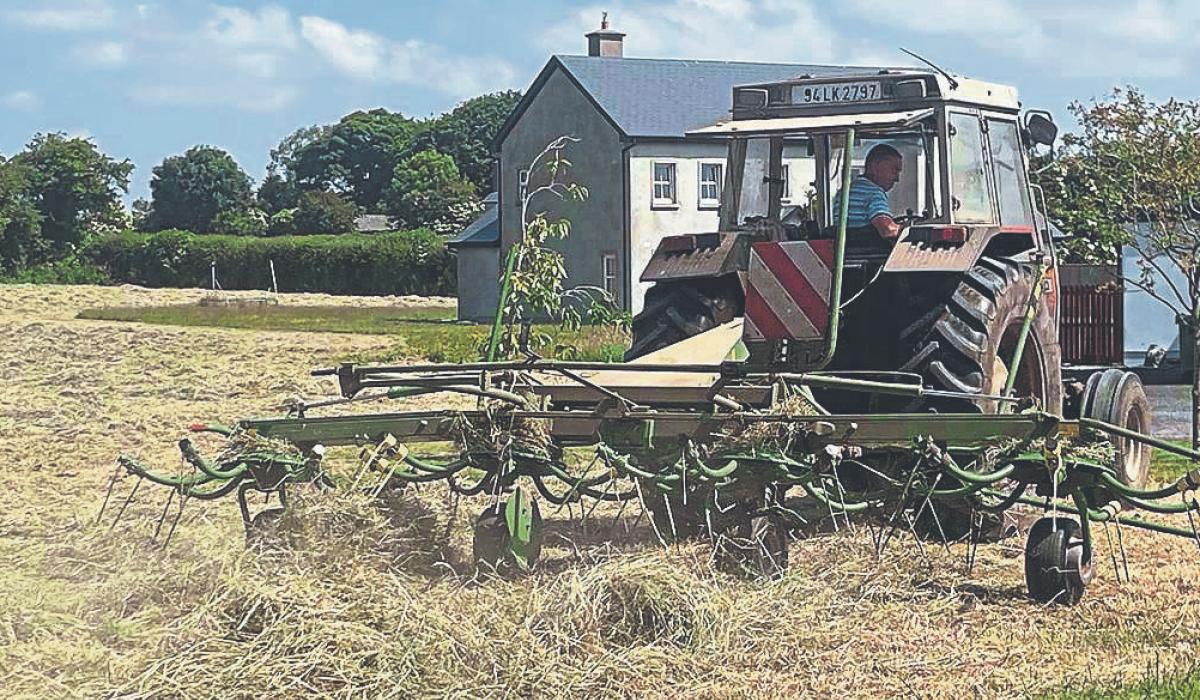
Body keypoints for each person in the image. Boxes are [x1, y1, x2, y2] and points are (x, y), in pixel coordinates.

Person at [832, 144, 903, 241]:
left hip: (847, 252)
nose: (897, 179)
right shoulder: (874, 193)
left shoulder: (843, 192)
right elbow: (887, 230)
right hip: (870, 253)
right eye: (894, 171)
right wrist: (906, 229)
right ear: (875, 167)